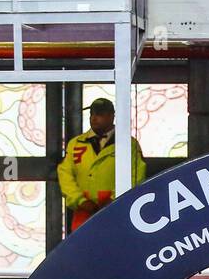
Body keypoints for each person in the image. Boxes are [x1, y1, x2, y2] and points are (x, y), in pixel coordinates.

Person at [57, 98, 147, 231]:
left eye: (99, 114)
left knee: (115, 248)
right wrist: (80, 201)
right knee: (83, 249)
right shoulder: (76, 143)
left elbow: (136, 175)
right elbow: (65, 175)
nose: (94, 118)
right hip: (83, 214)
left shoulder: (128, 144)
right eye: (92, 114)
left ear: (111, 116)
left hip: (118, 212)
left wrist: (115, 199)